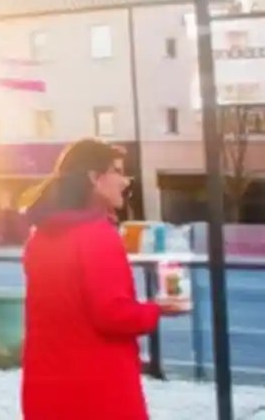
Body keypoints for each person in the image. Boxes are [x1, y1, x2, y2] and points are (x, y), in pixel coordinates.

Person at [19, 139, 187, 420]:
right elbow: (113, 314)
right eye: (118, 172)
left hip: (46, 387)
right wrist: (157, 308)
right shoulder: (97, 235)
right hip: (99, 391)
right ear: (94, 178)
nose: (124, 182)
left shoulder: (39, 237)